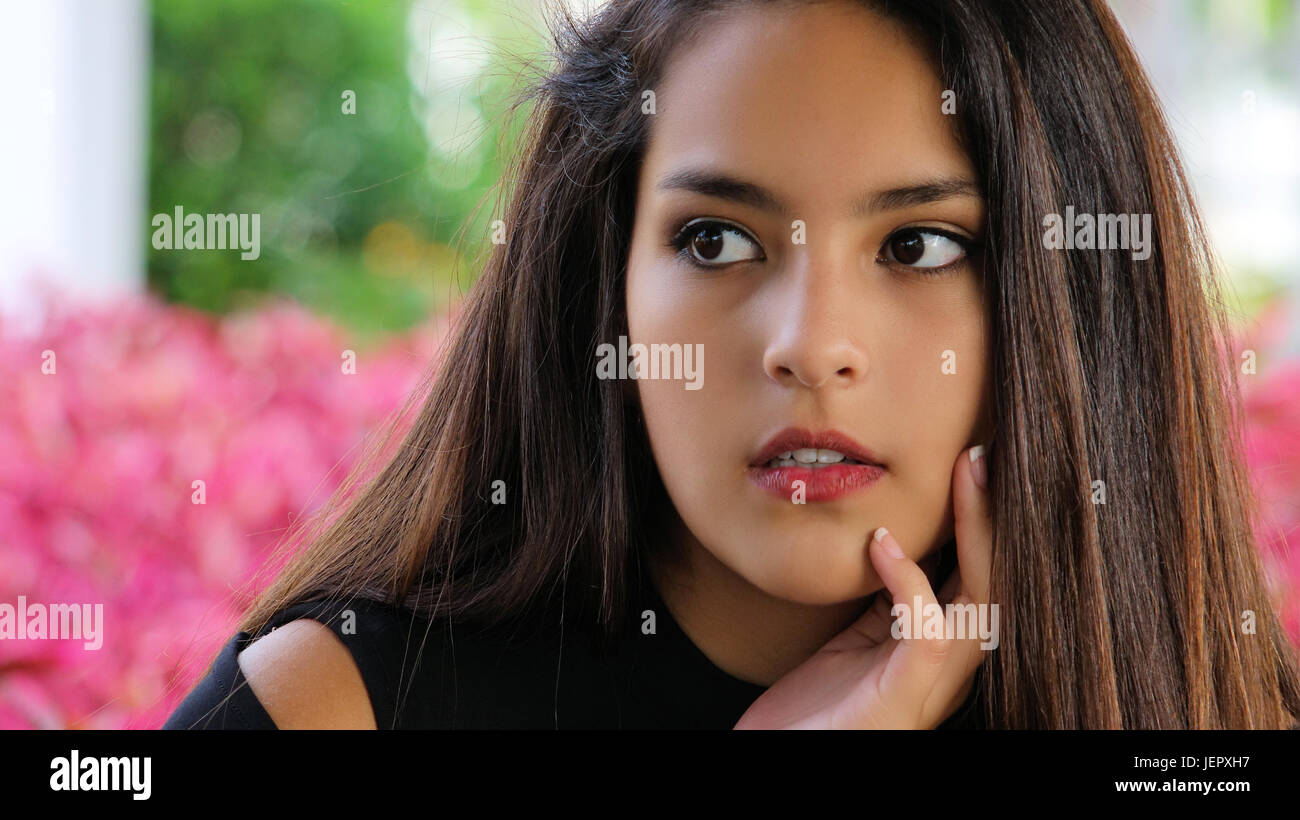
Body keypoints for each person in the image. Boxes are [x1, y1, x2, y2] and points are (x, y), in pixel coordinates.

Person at [164, 0, 1300, 730]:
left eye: (919, 245)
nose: (808, 344)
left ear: (1072, 302)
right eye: (716, 240)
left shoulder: (1216, 720)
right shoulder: (338, 705)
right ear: (600, 272)